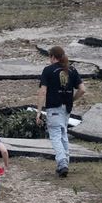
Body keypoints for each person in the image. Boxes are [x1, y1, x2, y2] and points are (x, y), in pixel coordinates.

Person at [36, 46, 85, 178]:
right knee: (63, 135)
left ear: (52, 57)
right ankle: (64, 163)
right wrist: (72, 99)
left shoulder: (48, 70)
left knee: (55, 136)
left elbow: (43, 91)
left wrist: (39, 111)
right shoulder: (72, 70)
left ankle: (62, 162)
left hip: (53, 108)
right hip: (66, 108)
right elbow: (82, 89)